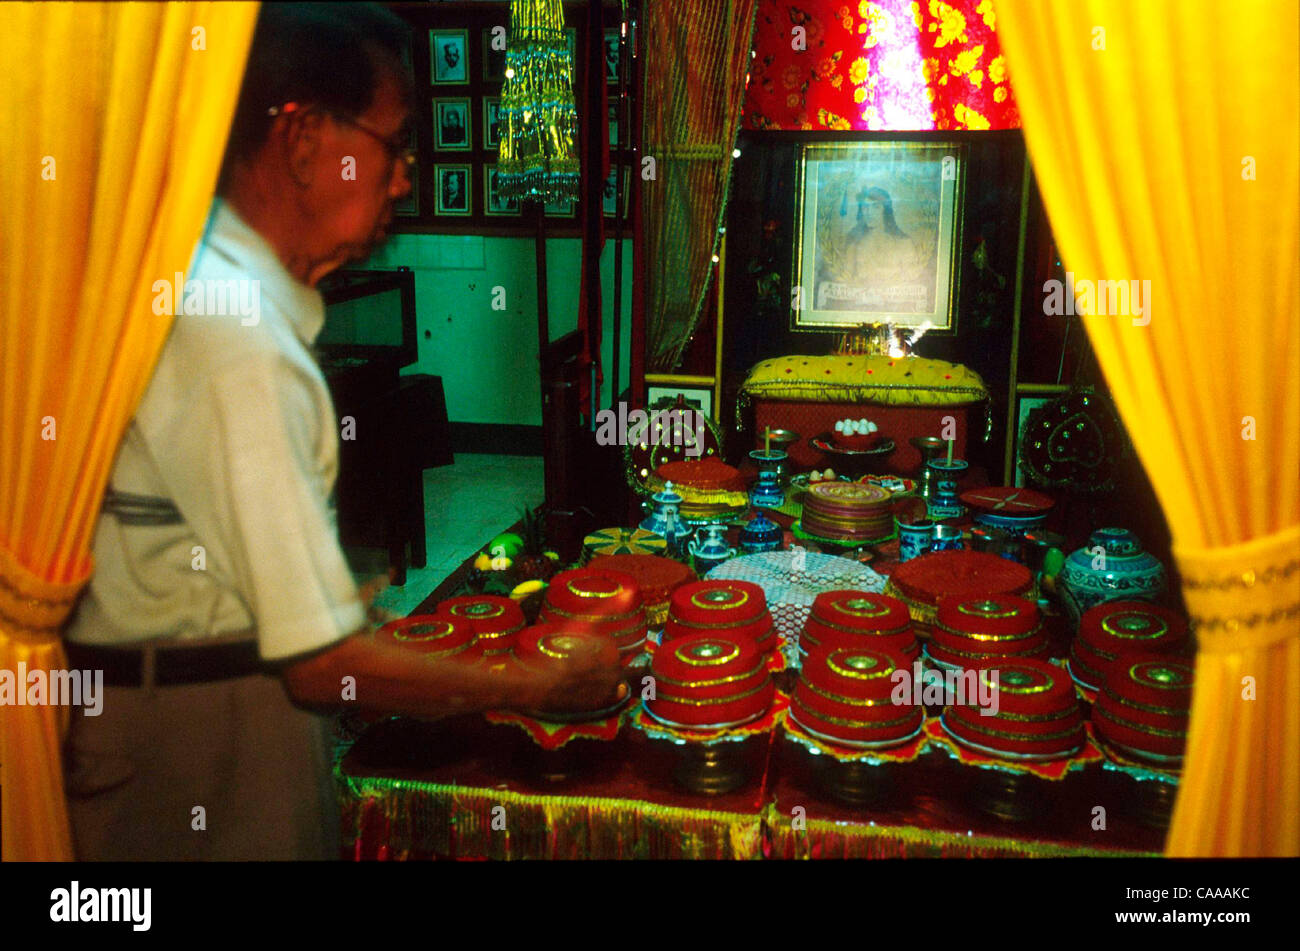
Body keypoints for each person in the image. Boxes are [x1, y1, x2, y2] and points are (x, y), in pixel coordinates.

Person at [61, 2, 620, 862]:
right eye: (394, 146)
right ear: (302, 139)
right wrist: (536, 678)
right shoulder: (236, 336)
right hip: (201, 748)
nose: (404, 180)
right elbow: (323, 665)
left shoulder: (215, 283)